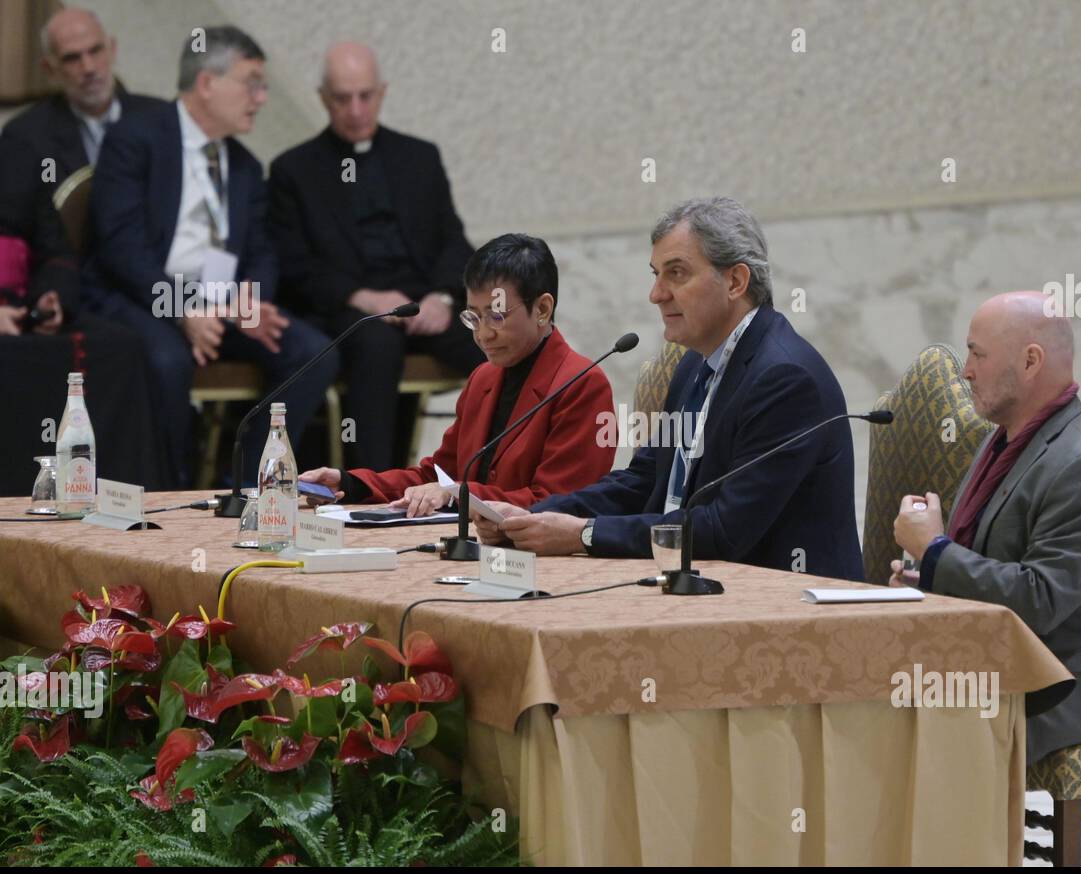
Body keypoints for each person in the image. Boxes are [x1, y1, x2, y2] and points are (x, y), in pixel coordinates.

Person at [472, 197, 862, 580]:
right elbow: (643, 479)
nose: (656, 294)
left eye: (676, 273)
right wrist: (535, 515)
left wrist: (583, 534)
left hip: (789, 607)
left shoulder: (784, 379)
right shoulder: (695, 361)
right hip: (694, 585)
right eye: (655, 274)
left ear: (735, 281)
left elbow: (724, 529)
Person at [891, 290, 1081, 763]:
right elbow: (995, 564)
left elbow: (1039, 599)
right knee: (865, 703)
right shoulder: (1007, 440)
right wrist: (926, 572)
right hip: (1001, 667)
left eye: (977, 354)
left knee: (917, 732)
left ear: (1030, 362)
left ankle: (963, 840)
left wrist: (937, 552)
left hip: (1063, 685)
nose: (965, 370)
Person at [81, 26, 337, 489]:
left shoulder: (242, 164)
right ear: (207, 83)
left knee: (310, 352)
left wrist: (247, 302)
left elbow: (262, 250)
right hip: (143, 297)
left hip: (220, 305)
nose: (261, 97)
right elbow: (122, 247)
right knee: (166, 359)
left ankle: (243, 484)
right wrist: (184, 309)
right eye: (252, 82)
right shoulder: (135, 138)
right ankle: (168, 489)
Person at [269, 41, 482, 470]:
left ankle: (500, 474)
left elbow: (453, 240)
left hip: (424, 302)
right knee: (376, 341)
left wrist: (443, 298)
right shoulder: (294, 169)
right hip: (350, 307)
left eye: (365, 96)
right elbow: (293, 267)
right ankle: (373, 485)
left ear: (381, 93)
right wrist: (364, 299)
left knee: (497, 336)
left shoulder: (419, 157)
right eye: (343, 98)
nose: (355, 109)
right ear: (323, 99)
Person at [299, 234, 614, 513]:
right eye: (473, 318)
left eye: (496, 316)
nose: (483, 334)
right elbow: (437, 475)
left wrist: (456, 494)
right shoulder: (484, 378)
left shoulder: (582, 384)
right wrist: (350, 483)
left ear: (543, 309)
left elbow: (560, 503)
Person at [0, 134, 163, 494]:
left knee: (123, 347)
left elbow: (55, 250)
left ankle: (119, 495)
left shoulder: (17, 154)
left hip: (21, 310)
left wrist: (51, 298)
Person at [0, 7, 164, 192]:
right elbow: (12, 219)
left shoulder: (162, 119)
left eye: (95, 50)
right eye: (71, 58)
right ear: (49, 69)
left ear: (112, 49)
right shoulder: (24, 137)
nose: (88, 68)